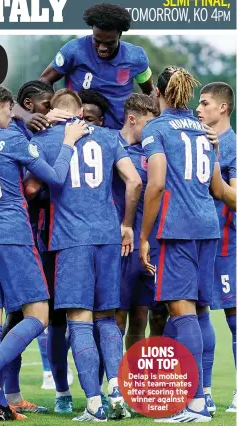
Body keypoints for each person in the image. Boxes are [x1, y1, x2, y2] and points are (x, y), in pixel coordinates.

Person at [0, 83, 89, 421]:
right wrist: (67, 143)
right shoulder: (13, 140)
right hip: (12, 235)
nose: (12, 116)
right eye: (9, 110)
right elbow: (56, 178)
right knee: (38, 315)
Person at [24, 88, 142, 422]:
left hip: (72, 240)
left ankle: (93, 404)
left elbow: (31, 189)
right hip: (107, 236)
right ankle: (116, 391)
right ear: (78, 110)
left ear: (55, 111)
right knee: (107, 318)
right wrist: (127, 225)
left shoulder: (46, 139)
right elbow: (133, 181)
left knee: (79, 321)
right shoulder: (106, 136)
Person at [139, 66, 227, 423]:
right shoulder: (204, 129)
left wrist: (143, 235)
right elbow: (218, 190)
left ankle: (192, 405)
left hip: (177, 229)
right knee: (201, 310)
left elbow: (156, 183)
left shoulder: (156, 128)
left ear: (156, 94)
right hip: (209, 226)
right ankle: (203, 397)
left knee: (183, 311)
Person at [39, 3, 153, 130]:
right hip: (75, 132)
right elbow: (45, 80)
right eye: (97, 41)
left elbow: (149, 92)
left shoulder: (136, 57)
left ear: (119, 35)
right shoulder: (73, 50)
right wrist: (53, 111)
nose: (102, 48)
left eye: (109, 43)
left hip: (118, 134)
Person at [112, 93, 169, 346]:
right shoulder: (108, 145)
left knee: (144, 316)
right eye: (148, 124)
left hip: (151, 243)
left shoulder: (154, 151)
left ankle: (141, 381)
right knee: (116, 318)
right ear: (132, 119)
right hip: (119, 246)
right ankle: (115, 381)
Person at [196, 82, 236, 414]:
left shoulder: (232, 145)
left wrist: (215, 164)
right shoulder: (196, 139)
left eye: (204, 103)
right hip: (195, 242)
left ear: (222, 108)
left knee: (233, 316)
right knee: (197, 313)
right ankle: (203, 392)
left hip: (226, 243)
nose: (198, 108)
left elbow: (235, 198)